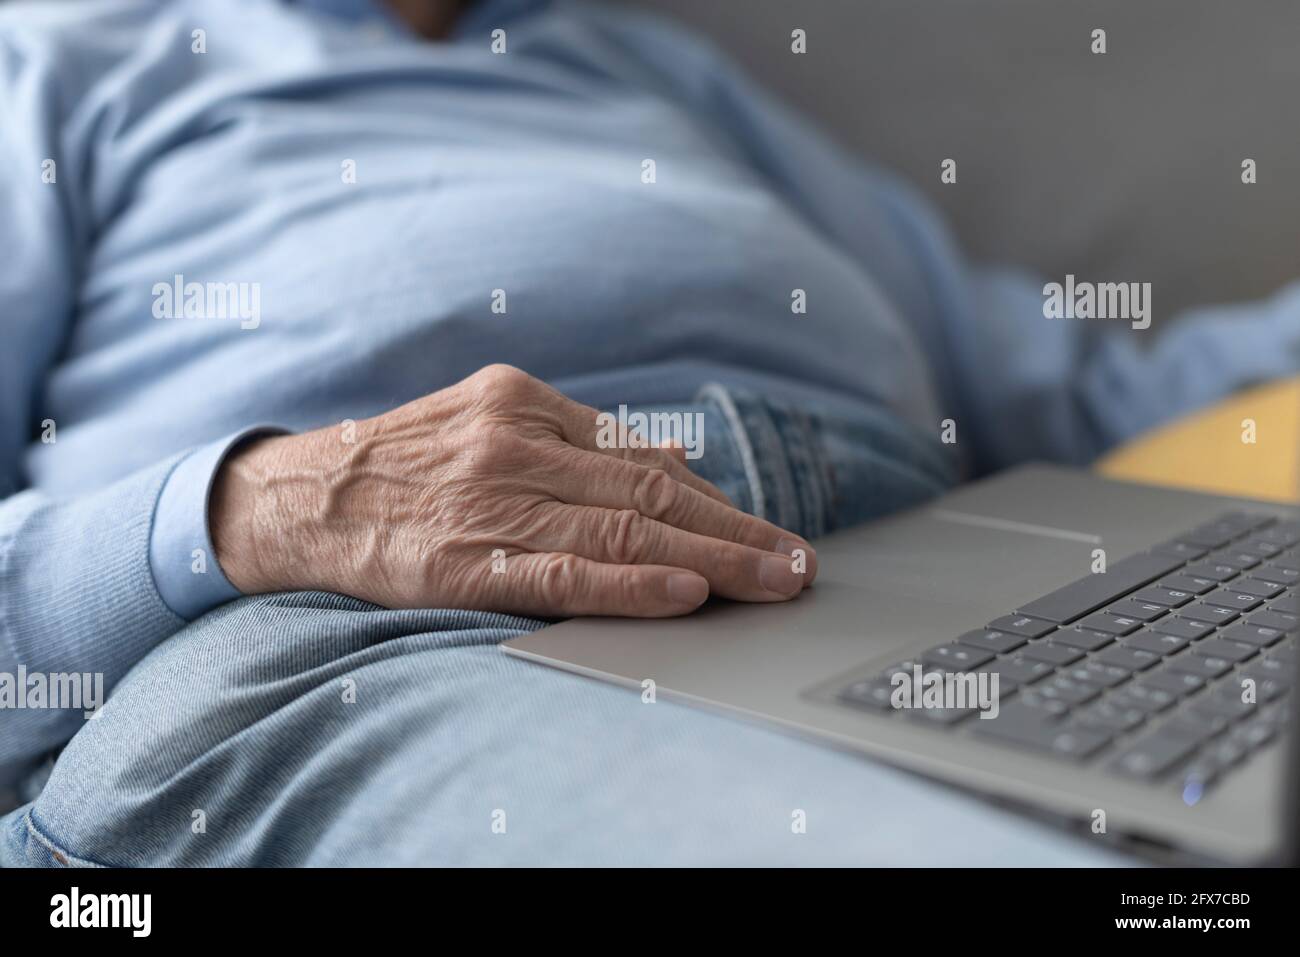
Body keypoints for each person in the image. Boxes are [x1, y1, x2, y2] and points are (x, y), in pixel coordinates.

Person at [3, 0, 1298, 866]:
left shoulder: (647, 68)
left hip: (924, 566)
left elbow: (1081, 401)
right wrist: (261, 506)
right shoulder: (64, 54)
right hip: (380, 638)